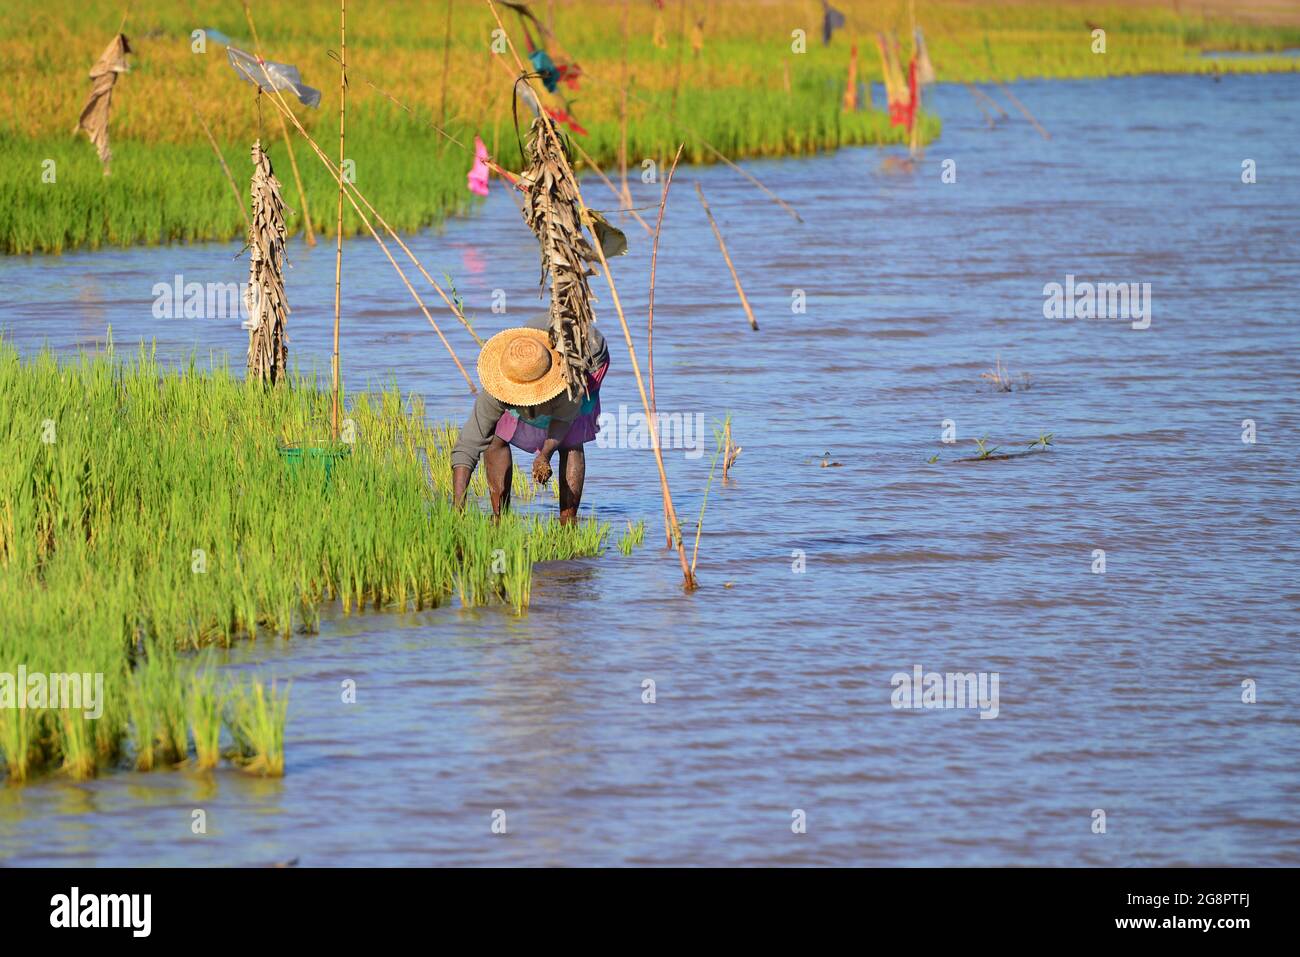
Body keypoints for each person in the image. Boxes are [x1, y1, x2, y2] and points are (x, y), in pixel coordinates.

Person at [451, 316, 609, 523]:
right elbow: (468, 444)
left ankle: (567, 523)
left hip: (589, 359)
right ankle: (500, 518)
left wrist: (544, 454)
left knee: (571, 441)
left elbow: (563, 421)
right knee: (496, 435)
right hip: (534, 348)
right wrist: (457, 509)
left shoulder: (571, 383)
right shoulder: (499, 385)